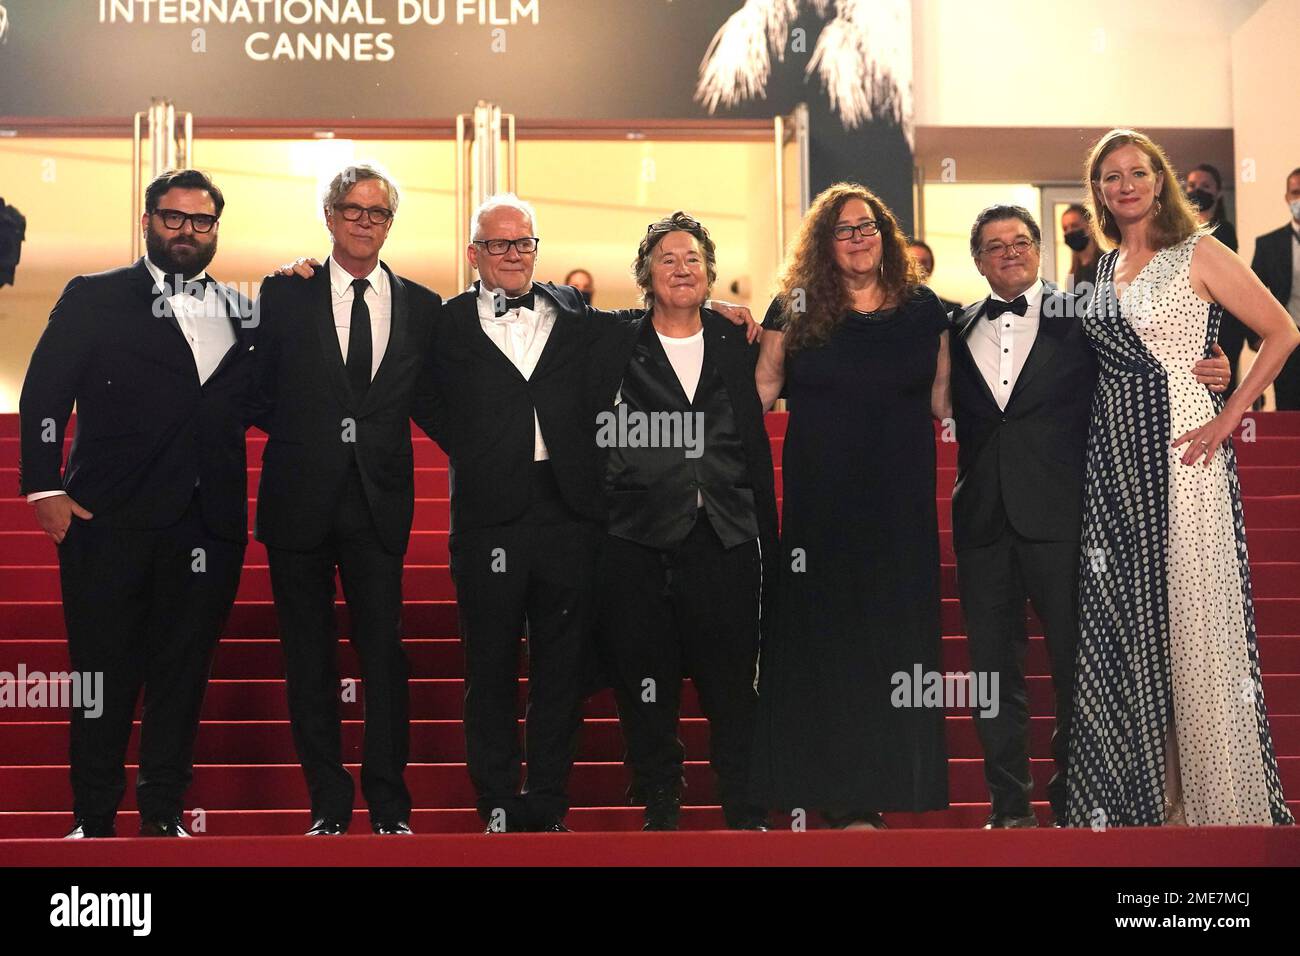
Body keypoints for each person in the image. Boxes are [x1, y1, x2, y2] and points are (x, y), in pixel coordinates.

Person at [949, 205, 1229, 829]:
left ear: (1039, 249)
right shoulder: (953, 325)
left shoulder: (1085, 315)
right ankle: (1009, 809)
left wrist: (1213, 369)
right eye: (995, 246)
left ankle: (1075, 800)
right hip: (982, 525)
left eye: (1021, 241)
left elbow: (1149, 359)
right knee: (992, 676)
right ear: (978, 260)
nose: (1010, 253)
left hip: (1066, 519)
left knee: (1078, 668)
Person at [1069, 129, 1298, 827]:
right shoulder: (1101, 270)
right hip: (1114, 463)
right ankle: (1153, 798)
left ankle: (1209, 804)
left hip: (1182, 454)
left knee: (1190, 623)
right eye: (1112, 177)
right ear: (1099, 192)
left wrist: (1229, 414)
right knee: (1134, 627)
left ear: (1160, 180)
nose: (1126, 185)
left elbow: (1282, 329)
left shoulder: (1198, 250)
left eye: (1138, 172)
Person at [18, 169, 257, 838]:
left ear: (215, 229)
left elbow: (258, 402)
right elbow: (44, 396)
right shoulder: (94, 296)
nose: (187, 230)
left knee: (182, 678)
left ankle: (162, 817)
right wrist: (44, 488)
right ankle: (93, 821)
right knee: (102, 677)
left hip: (207, 527)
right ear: (147, 221)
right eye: (173, 218)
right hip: (107, 522)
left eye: (201, 221)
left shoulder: (241, 310)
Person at [250, 163, 444, 836]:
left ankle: (390, 808)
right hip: (297, 501)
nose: (365, 222)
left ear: (391, 224)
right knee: (309, 660)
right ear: (328, 216)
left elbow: (439, 398)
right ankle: (328, 806)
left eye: (378, 213)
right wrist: (310, 437)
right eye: (353, 210)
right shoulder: (283, 292)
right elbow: (256, 390)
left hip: (378, 504)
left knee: (384, 657)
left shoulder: (422, 306)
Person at [751, 182, 950, 828]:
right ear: (823, 244)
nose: (859, 238)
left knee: (893, 643)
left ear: (886, 236)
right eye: (844, 230)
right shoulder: (798, 305)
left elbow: (948, 400)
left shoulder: (925, 311)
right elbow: (759, 390)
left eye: (868, 227)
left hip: (900, 506)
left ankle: (892, 786)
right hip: (822, 506)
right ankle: (839, 797)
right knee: (828, 646)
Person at [589, 212, 778, 831]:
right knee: (646, 678)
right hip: (638, 535)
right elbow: (554, 302)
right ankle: (661, 797)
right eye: (667, 258)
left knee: (731, 682)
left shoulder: (736, 340)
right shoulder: (614, 338)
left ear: (710, 272)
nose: (680, 268)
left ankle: (743, 806)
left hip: (725, 532)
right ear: (645, 273)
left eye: (692, 258)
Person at [1187, 163, 1251, 395]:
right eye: (1192, 185)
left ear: (1218, 192)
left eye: (1205, 186)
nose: (1197, 190)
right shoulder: (1177, 233)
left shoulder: (1224, 230)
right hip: (1187, 321)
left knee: (1218, 389)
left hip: (1222, 325)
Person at [1250, 167, 1300, 409]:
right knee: (1288, 411)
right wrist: (1257, 338)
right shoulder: (1269, 244)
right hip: (1287, 342)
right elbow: (1248, 294)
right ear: (1287, 197)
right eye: (1296, 193)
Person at [1061, 203, 1101, 307]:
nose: (1070, 232)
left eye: (1075, 226)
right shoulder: (1074, 271)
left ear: (1089, 226)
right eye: (1065, 228)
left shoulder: (1105, 264)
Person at [908, 239, 961, 316]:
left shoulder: (951, 311)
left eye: (924, 262)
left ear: (931, 268)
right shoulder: (891, 310)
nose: (918, 267)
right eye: (913, 261)